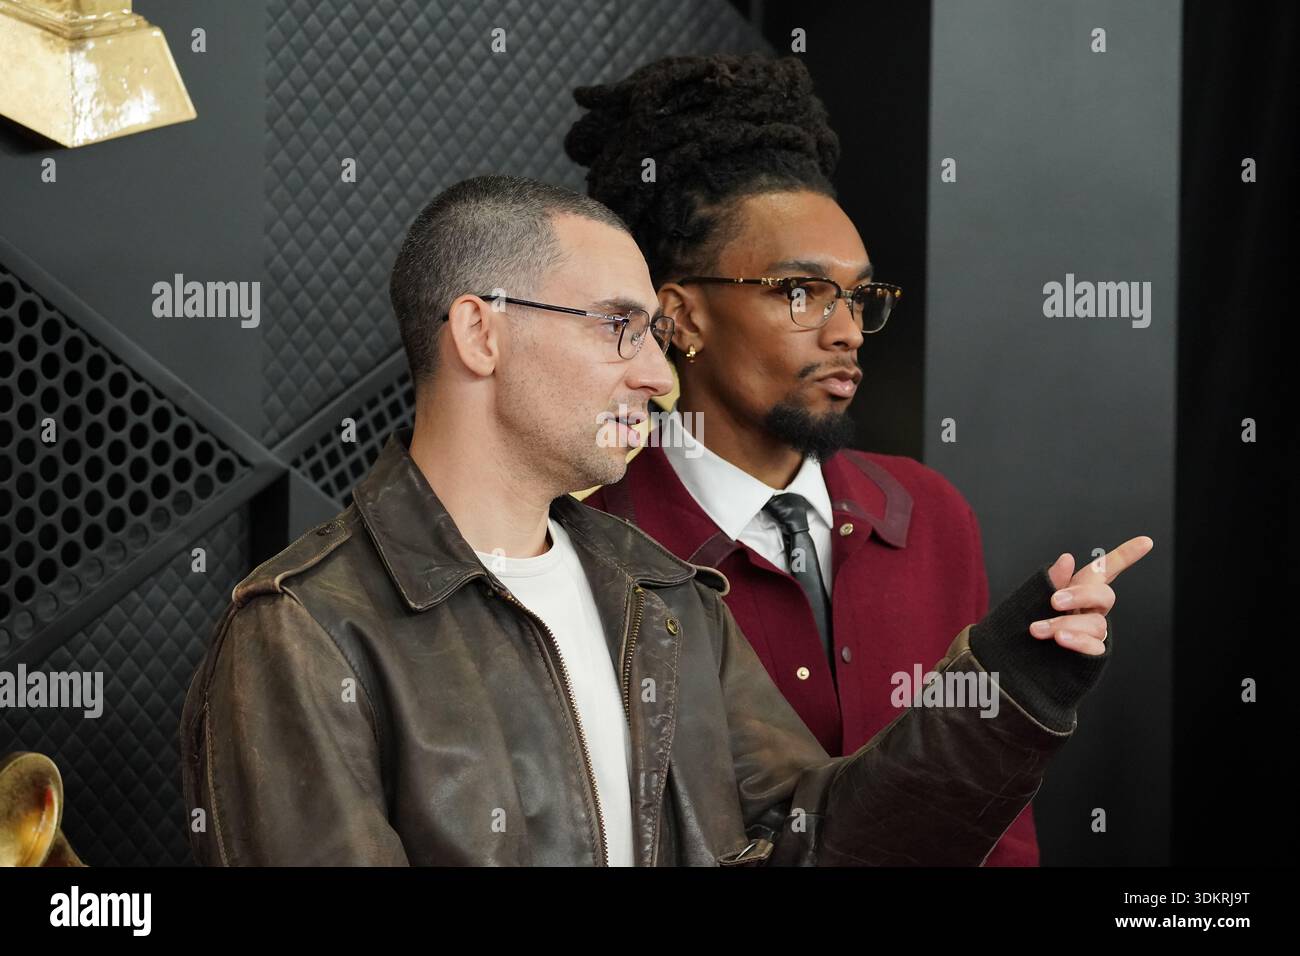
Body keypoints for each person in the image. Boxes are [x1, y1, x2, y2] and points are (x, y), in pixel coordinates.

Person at [178, 173, 1150, 866]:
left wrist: (1008, 686)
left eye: (653, 330)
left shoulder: (667, 597)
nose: (656, 371)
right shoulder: (301, 633)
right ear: (480, 332)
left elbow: (816, 839)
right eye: (616, 326)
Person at [568, 53, 1043, 864]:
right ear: (680, 316)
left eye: (858, 296)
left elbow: (994, 826)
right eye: (801, 292)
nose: (846, 331)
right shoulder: (592, 537)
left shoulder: (930, 516)